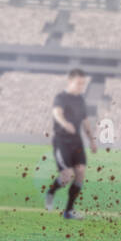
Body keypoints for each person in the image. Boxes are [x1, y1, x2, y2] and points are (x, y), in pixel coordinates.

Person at [44, 69, 97, 220]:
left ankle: (68, 211)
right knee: (67, 176)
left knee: (80, 173)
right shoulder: (61, 97)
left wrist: (92, 141)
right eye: (79, 83)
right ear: (70, 81)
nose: (81, 86)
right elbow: (57, 113)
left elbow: (85, 121)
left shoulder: (80, 99)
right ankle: (51, 192)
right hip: (62, 141)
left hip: (77, 141)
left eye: (83, 83)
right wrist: (65, 123)